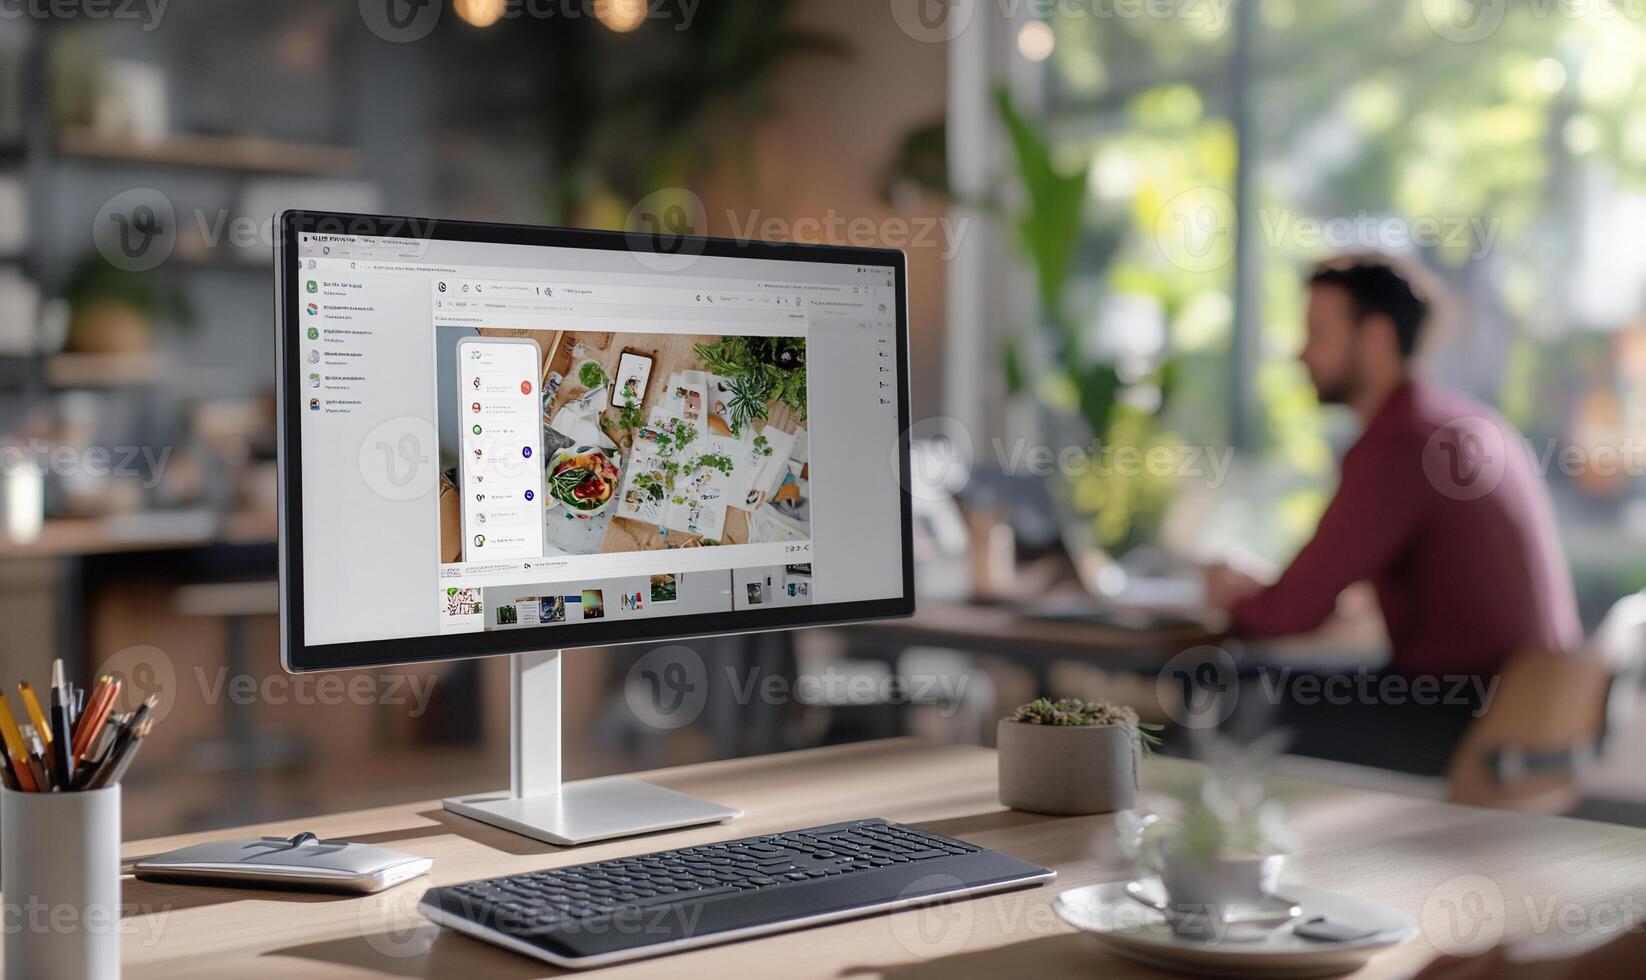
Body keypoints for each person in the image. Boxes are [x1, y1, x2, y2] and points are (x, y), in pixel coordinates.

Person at [1205, 254, 1581, 773]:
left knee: (1221, 695)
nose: (1300, 353)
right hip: (1530, 718)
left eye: (1318, 333)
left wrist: (1227, 595)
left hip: (1465, 716)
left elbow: (1287, 613)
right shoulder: (1464, 422)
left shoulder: (1401, 441)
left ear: (1376, 337)